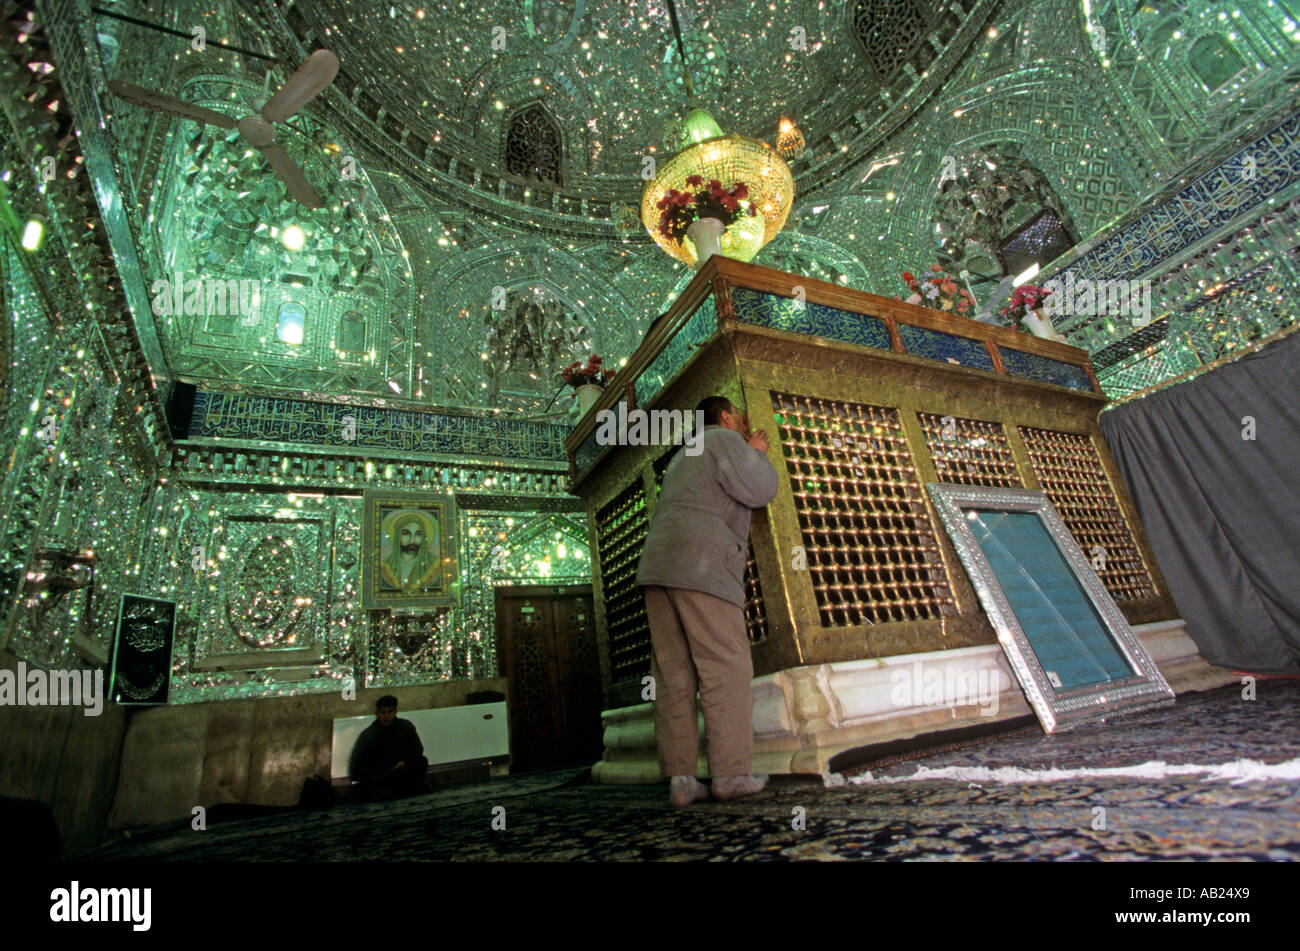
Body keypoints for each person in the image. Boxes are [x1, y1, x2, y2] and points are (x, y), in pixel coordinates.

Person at [635, 395, 780, 807]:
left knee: (673, 676)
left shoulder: (686, 451)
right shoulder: (725, 439)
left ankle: (681, 781)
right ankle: (730, 774)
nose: (742, 422)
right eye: (740, 415)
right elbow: (761, 488)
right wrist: (758, 453)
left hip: (658, 570)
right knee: (725, 666)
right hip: (701, 569)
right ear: (727, 416)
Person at [349, 696, 429, 799]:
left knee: (421, 761)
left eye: (390, 712)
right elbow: (358, 763)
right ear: (377, 713)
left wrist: (405, 761)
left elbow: (418, 749)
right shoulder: (369, 734)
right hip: (380, 774)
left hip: (401, 769)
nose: (386, 716)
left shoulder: (406, 726)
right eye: (383, 712)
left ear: (395, 712)